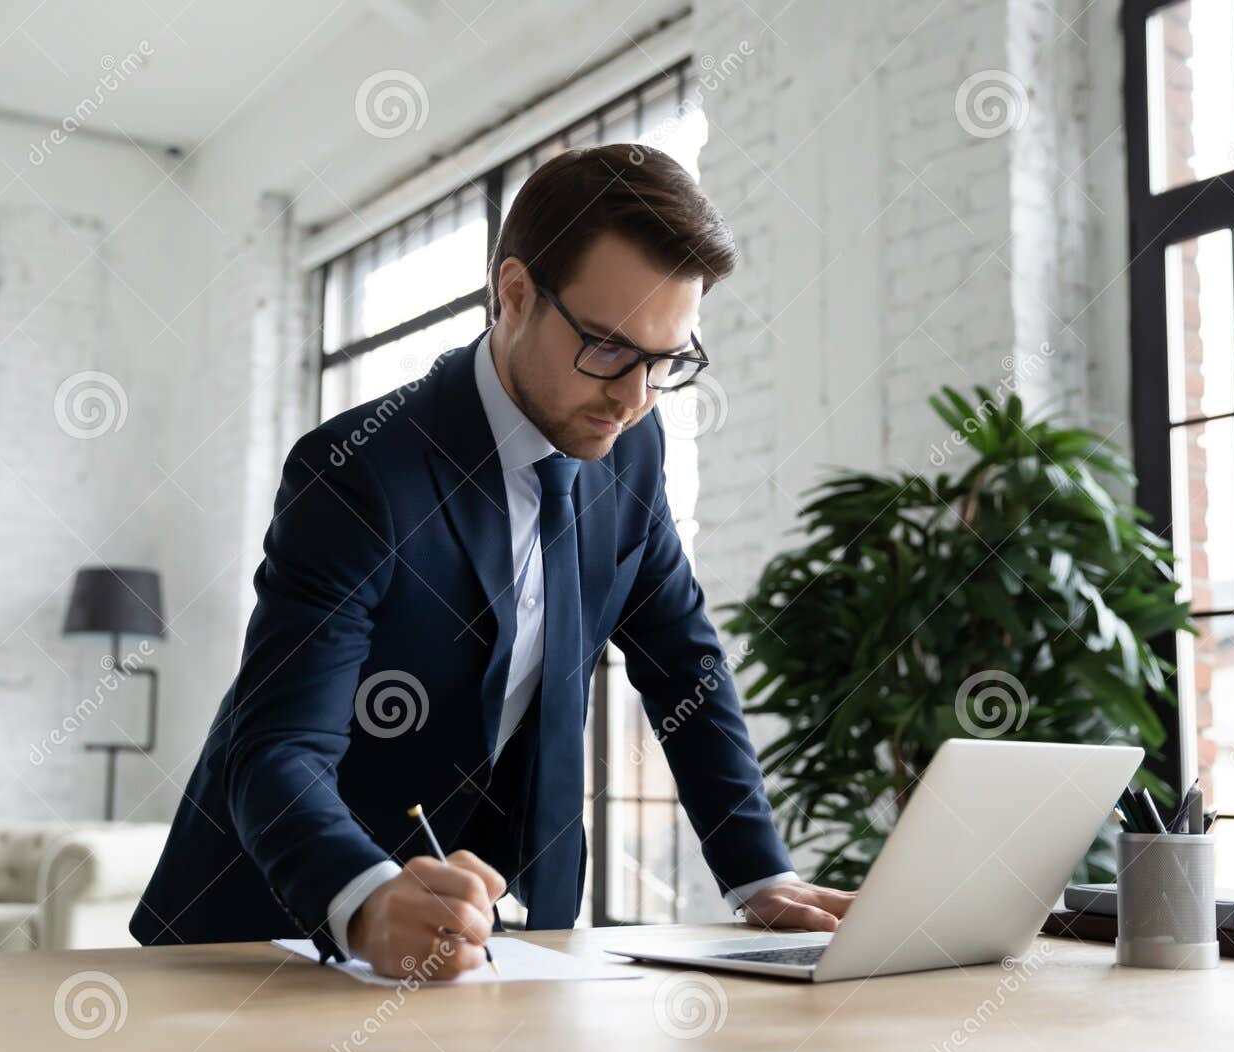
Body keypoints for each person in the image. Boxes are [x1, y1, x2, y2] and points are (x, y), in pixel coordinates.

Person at [132, 143, 854, 978]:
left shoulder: (632, 447)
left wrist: (761, 873)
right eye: (612, 350)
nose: (635, 396)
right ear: (514, 293)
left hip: (499, 944)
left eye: (669, 362)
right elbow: (277, 748)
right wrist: (365, 897)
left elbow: (682, 661)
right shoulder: (362, 472)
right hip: (265, 930)